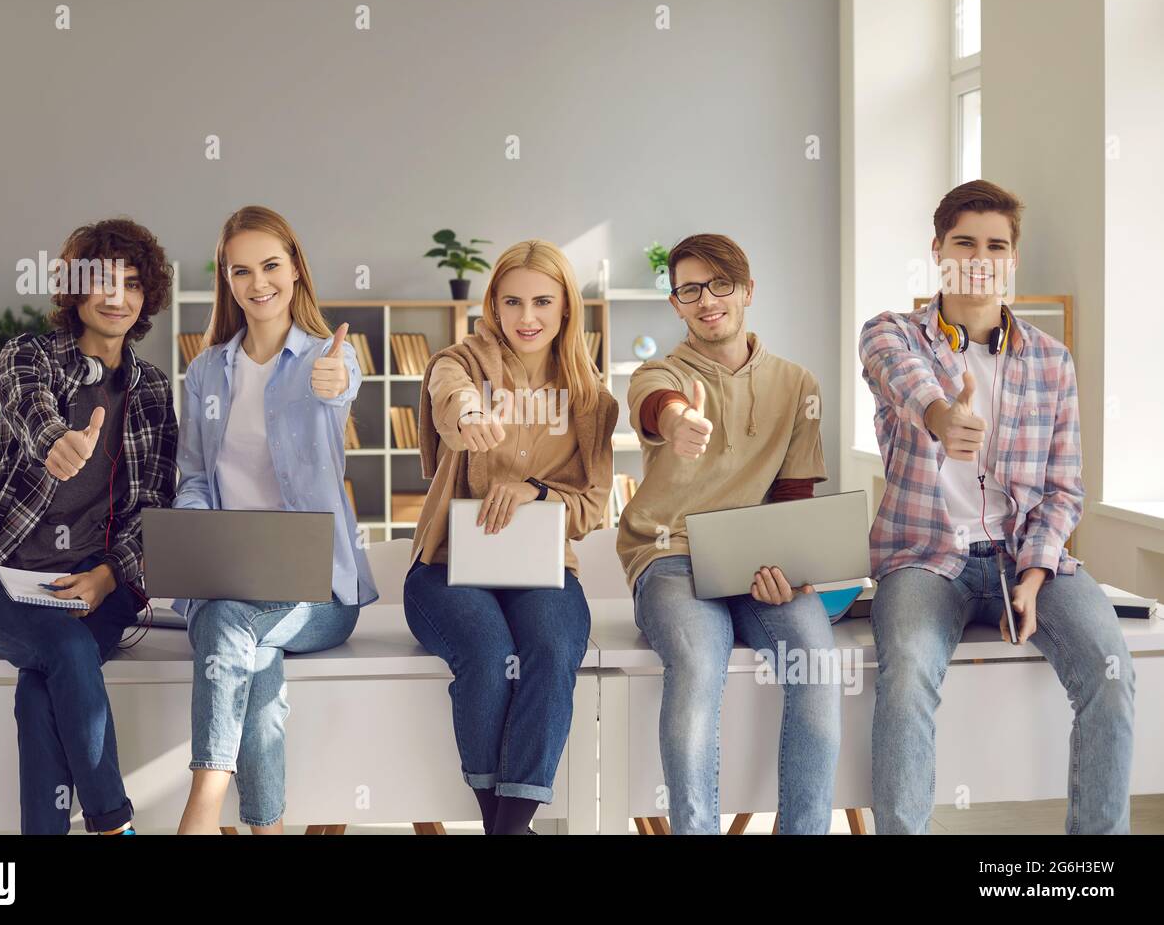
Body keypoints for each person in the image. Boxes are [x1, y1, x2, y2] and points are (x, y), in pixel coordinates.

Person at [859, 179, 1135, 834]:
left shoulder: (1051, 361)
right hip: (926, 562)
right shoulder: (893, 333)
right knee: (904, 684)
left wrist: (1036, 575)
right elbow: (900, 376)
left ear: (1012, 257)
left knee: (1111, 674)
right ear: (937, 249)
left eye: (996, 244)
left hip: (1027, 559)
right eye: (964, 242)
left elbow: (1064, 489)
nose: (980, 257)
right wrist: (939, 415)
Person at [0, 218, 178, 834]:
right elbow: (28, 406)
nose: (117, 297)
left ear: (146, 297)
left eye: (132, 284)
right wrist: (58, 444)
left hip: (95, 584)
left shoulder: (153, 391)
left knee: (39, 688)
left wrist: (108, 577)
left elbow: (155, 505)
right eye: (101, 281)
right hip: (8, 580)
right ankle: (113, 822)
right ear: (74, 291)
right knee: (65, 650)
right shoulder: (30, 357)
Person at [617, 233, 839, 834]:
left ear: (746, 290)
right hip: (670, 556)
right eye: (689, 289)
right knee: (697, 665)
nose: (706, 299)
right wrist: (677, 417)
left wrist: (790, 575)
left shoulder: (798, 384)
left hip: (759, 561)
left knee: (817, 663)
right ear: (676, 304)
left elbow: (795, 499)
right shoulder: (659, 371)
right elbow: (653, 404)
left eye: (719, 284)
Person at [173, 205, 376, 834]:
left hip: (319, 594)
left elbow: (342, 387)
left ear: (295, 270)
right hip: (230, 585)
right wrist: (199, 535)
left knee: (231, 623)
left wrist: (335, 382)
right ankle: (267, 829)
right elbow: (196, 476)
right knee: (252, 652)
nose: (258, 283)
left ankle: (203, 805)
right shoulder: (207, 370)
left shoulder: (329, 360)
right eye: (242, 271)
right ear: (227, 282)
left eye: (271, 265)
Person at [404, 239, 617, 834]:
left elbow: (594, 506)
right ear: (493, 305)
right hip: (444, 569)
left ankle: (508, 826)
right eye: (513, 302)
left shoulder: (592, 398)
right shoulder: (460, 360)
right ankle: (503, 824)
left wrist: (537, 491)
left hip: (542, 566)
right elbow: (451, 395)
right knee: (490, 653)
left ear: (566, 307)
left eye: (543, 302)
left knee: (552, 652)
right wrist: (470, 418)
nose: (528, 318)